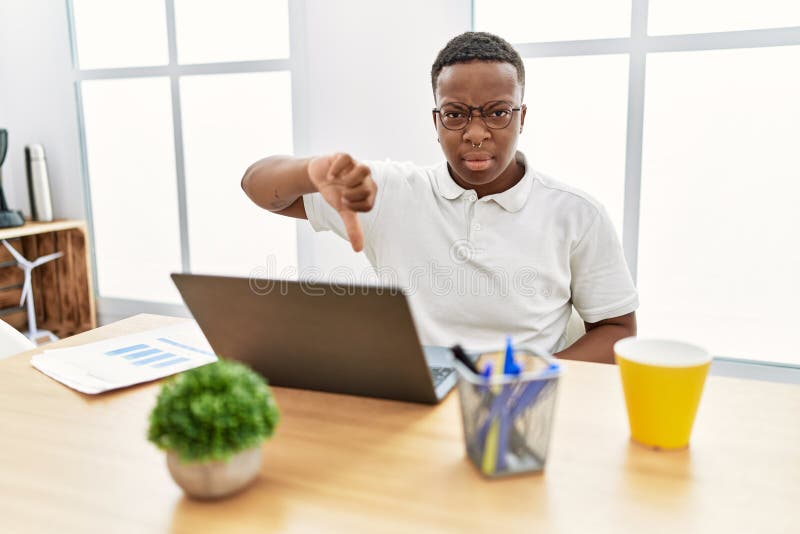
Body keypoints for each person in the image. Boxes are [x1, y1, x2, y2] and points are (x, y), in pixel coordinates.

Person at [241, 31, 637, 363]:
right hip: (415, 399)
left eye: (498, 113)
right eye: (456, 114)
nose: (476, 132)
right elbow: (257, 187)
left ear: (522, 117)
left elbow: (617, 329)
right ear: (436, 121)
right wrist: (311, 171)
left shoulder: (576, 214)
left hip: (520, 402)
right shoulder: (387, 191)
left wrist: (531, 377)